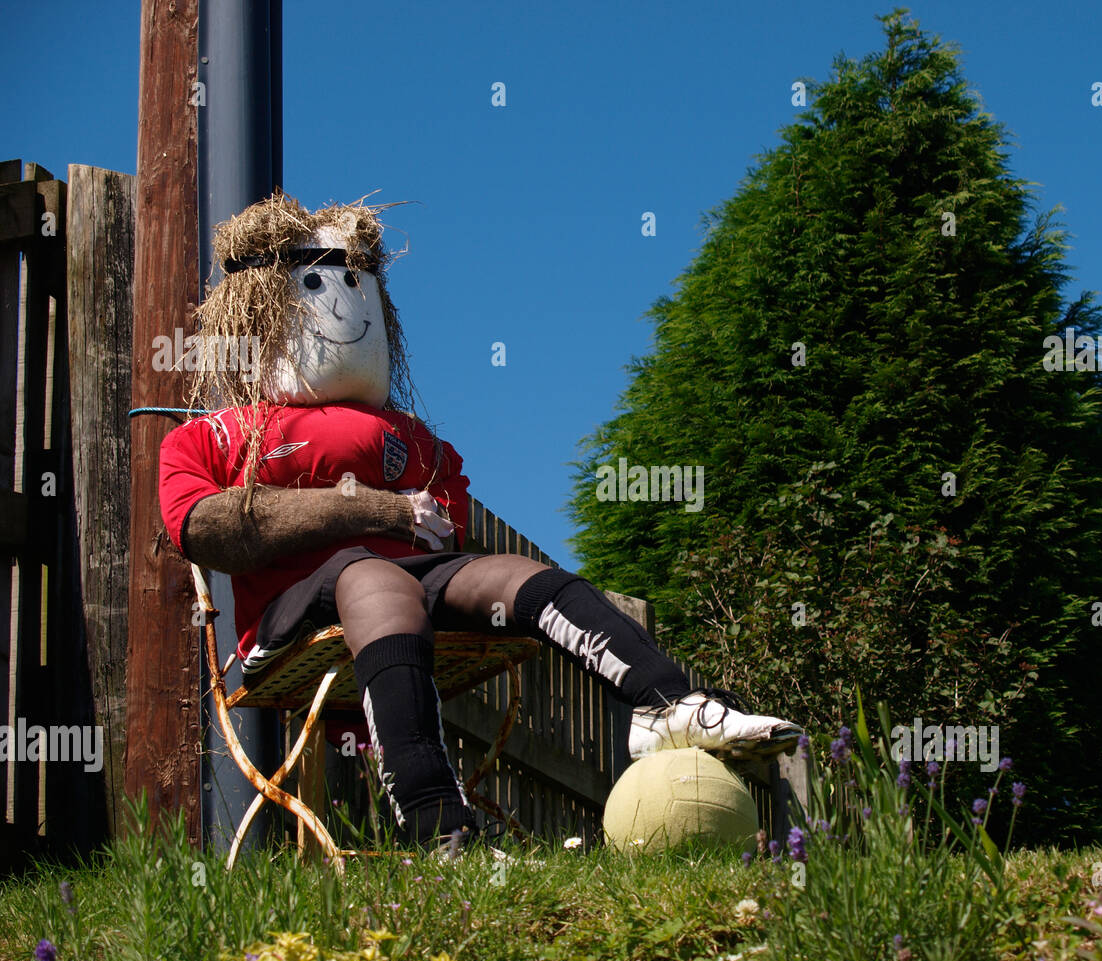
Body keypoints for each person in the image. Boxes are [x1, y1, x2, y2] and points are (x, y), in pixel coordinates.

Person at [158, 193, 801, 851]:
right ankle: (437, 822)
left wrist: (417, 523)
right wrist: (373, 509)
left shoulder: (412, 437)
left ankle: (666, 704)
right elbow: (204, 526)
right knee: (370, 574)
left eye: (356, 284)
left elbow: (449, 530)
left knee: (525, 577)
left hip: (409, 587)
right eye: (320, 284)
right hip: (291, 617)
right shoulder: (215, 432)